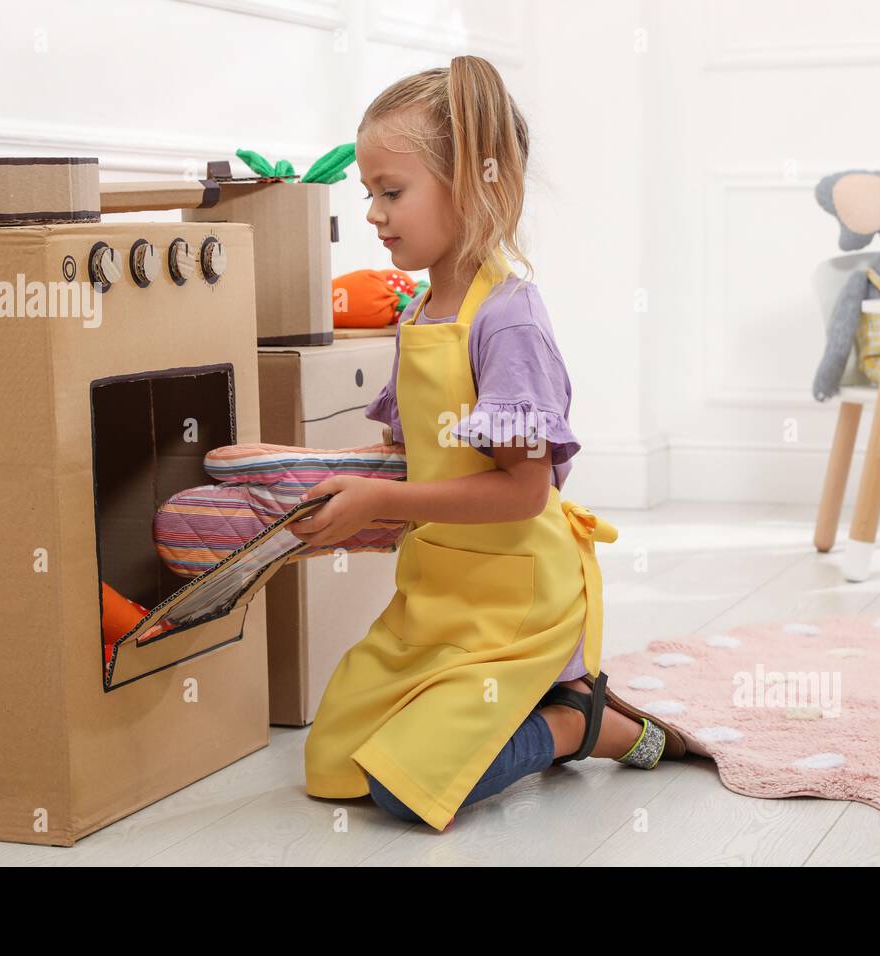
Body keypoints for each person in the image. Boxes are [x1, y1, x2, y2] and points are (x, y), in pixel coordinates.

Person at [294, 55, 683, 832]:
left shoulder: (506, 319)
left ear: (475, 183)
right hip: (436, 590)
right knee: (331, 766)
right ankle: (529, 702)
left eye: (391, 191)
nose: (373, 212)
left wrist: (385, 500)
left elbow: (523, 490)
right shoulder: (418, 311)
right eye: (368, 192)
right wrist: (276, 469)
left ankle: (578, 721)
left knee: (405, 793)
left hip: (514, 597)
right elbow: (412, 464)